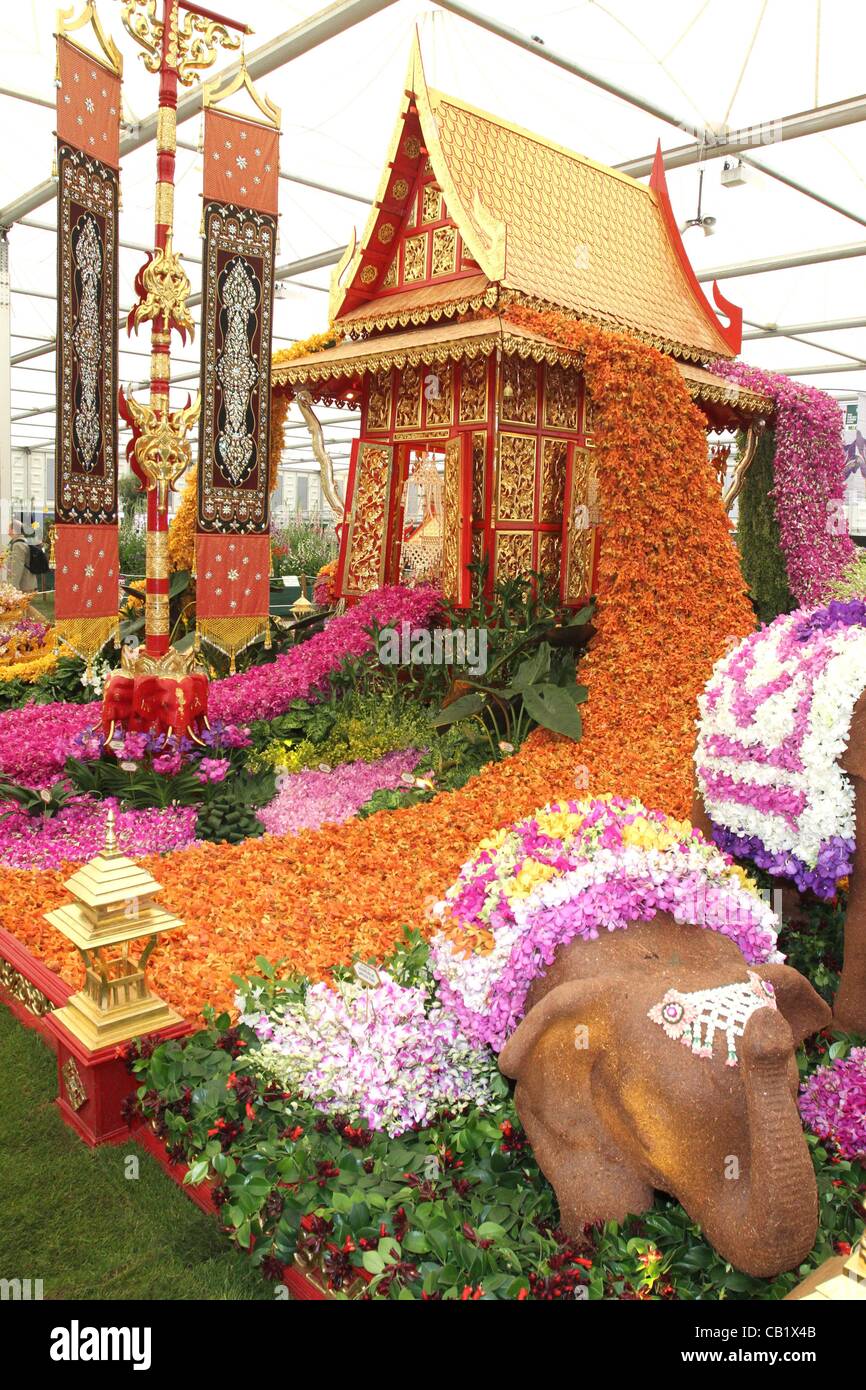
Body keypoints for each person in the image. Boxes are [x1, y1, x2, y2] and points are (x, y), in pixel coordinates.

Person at [6, 520, 38, 593]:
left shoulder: (18, 545)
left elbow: (17, 567)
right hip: (27, 584)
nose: (8, 530)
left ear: (13, 530)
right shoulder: (23, 541)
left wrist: (13, 588)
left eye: (9, 528)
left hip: (23, 587)